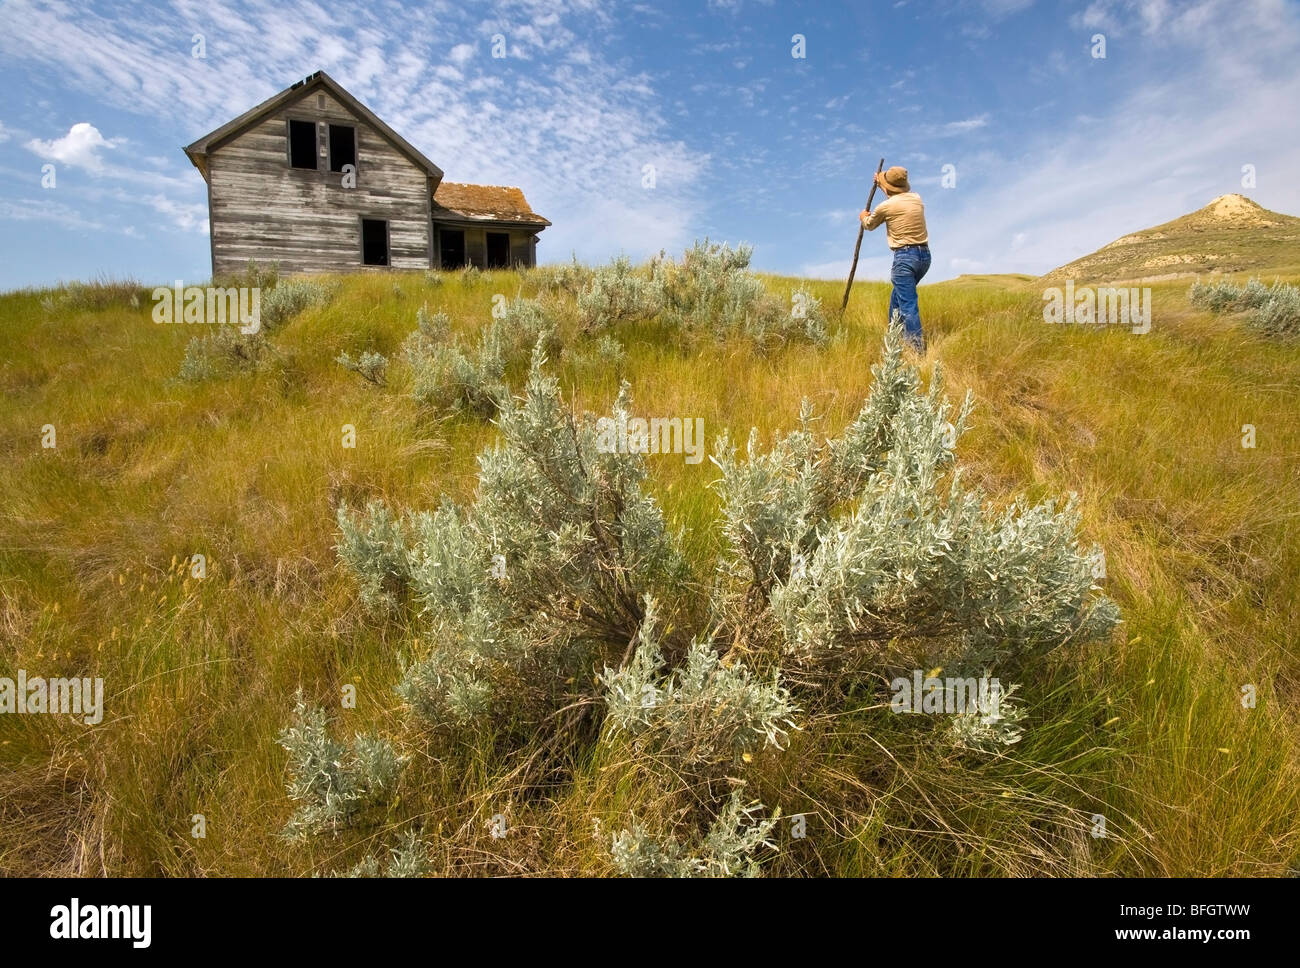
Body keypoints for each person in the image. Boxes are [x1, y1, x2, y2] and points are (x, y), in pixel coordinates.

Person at [860, 166, 930, 351]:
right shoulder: (916, 198)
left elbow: (869, 224)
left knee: (908, 306)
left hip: (904, 258)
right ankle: (894, 340)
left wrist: (863, 217)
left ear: (887, 187)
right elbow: (897, 195)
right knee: (897, 299)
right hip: (924, 257)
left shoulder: (886, 206)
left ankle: (916, 352)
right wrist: (882, 182)